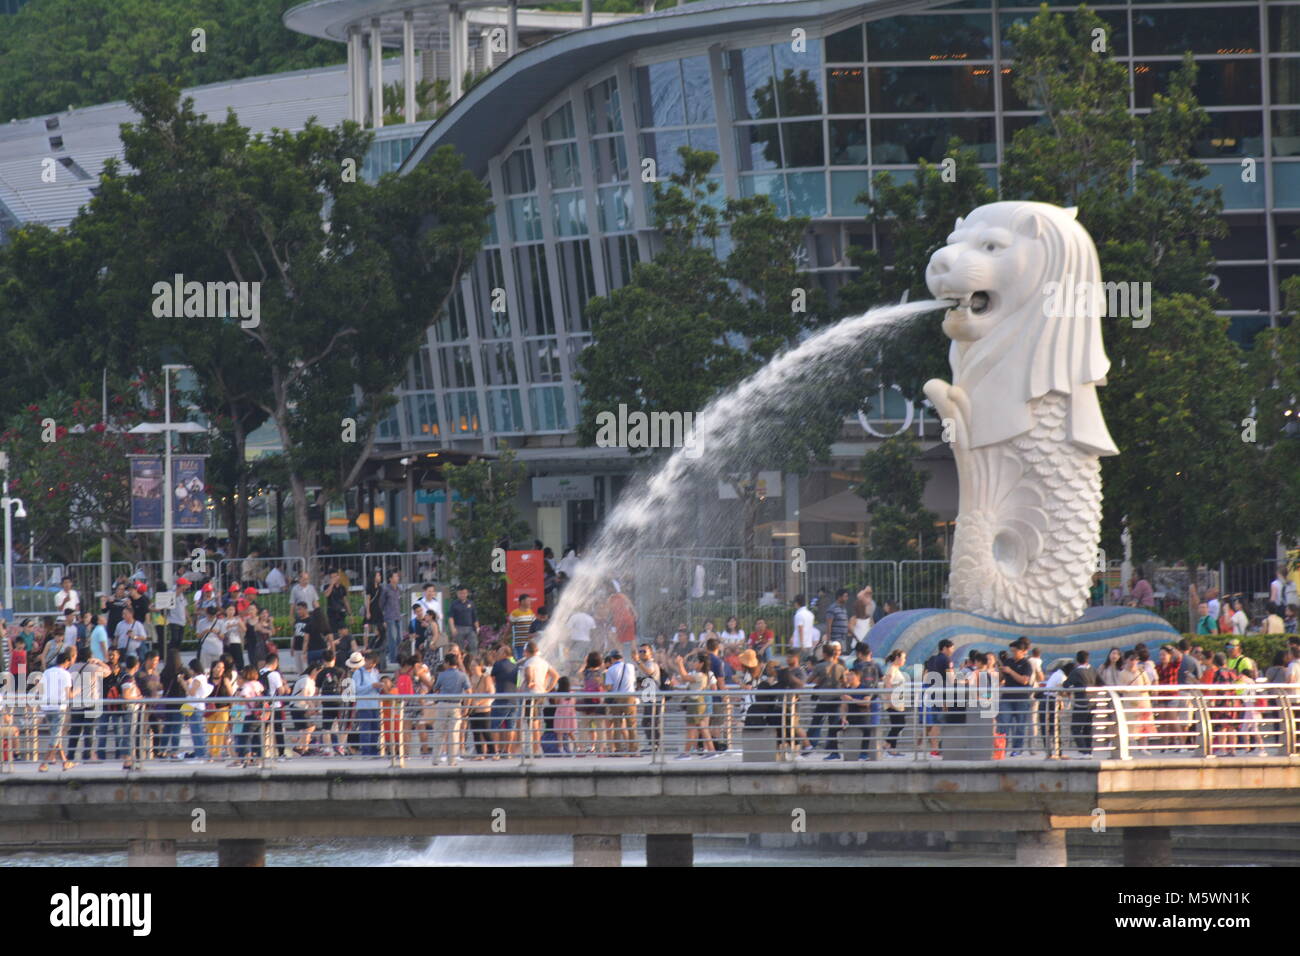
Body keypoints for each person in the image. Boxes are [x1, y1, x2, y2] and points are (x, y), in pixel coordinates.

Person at [37, 648, 76, 772]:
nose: (69, 665)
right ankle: (44, 763)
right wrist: (79, 691)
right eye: (69, 662)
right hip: (59, 708)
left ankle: (65, 762)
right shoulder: (66, 674)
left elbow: (40, 689)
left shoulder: (47, 672)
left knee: (56, 734)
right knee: (56, 735)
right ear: (65, 661)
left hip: (46, 707)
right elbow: (69, 695)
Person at [808, 642, 848, 757]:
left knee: (815, 723)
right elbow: (844, 683)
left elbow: (809, 680)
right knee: (833, 725)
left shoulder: (819, 667)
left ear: (824, 654)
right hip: (836, 700)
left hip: (823, 699)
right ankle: (834, 752)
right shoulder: (840, 667)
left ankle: (808, 746)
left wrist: (820, 680)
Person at [519, 640, 558, 754]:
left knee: (532, 722)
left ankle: (535, 749)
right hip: (541, 694)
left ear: (527, 652)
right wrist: (547, 689)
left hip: (531, 694)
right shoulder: (543, 662)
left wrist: (529, 681)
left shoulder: (529, 662)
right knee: (536, 721)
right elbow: (555, 675)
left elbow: (529, 673)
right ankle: (536, 748)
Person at [432, 652, 470, 765]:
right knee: (454, 733)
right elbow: (469, 691)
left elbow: (436, 689)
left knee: (439, 732)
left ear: (447, 663)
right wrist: (466, 707)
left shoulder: (442, 675)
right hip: (456, 705)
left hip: (443, 704)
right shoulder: (463, 675)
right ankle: (452, 760)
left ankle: (436, 759)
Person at [998, 639, 1034, 756]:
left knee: (1020, 725)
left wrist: (1011, 671)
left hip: (1021, 698)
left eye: (1015, 651)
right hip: (1007, 698)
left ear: (1023, 651)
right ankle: (1001, 748)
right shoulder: (1008, 661)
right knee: (1003, 723)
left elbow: (1024, 680)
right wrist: (1001, 671)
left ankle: (1017, 749)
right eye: (1012, 651)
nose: (1013, 654)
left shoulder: (1026, 664)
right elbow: (1000, 678)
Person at [676, 652, 715, 758]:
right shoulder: (702, 675)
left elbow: (684, 677)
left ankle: (686, 753)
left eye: (695, 661)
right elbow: (685, 677)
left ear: (701, 663)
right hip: (698, 704)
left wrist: (679, 664)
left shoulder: (700, 675)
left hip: (696, 704)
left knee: (692, 728)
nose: (693, 663)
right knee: (702, 728)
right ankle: (711, 751)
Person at [1063, 650, 1102, 755]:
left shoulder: (1076, 672)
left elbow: (1065, 685)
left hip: (1081, 703)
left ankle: (1083, 751)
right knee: (1087, 728)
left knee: (1075, 728)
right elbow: (1101, 683)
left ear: (1077, 660)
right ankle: (1089, 751)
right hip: (1093, 703)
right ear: (1088, 659)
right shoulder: (1093, 670)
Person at [923, 639, 956, 757]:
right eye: (952, 647)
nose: (953, 650)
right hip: (944, 696)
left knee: (937, 721)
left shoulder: (933, 659)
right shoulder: (946, 660)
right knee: (944, 720)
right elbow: (951, 678)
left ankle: (934, 747)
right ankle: (938, 747)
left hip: (933, 694)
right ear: (945, 648)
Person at [603, 648, 638, 755]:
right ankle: (633, 750)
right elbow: (633, 681)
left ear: (612, 659)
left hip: (617, 698)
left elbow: (609, 687)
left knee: (617, 725)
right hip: (630, 697)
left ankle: (618, 749)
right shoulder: (631, 667)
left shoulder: (610, 670)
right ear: (622, 658)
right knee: (631, 725)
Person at [882, 649, 908, 755]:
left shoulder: (896, 669)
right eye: (903, 658)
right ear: (897, 658)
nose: (904, 660)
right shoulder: (892, 669)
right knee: (899, 724)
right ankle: (886, 744)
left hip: (898, 702)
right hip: (893, 702)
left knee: (897, 724)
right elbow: (888, 683)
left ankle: (892, 748)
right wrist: (890, 699)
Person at [448, 586, 479, 652]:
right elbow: (451, 617)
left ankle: (474, 660)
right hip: (458, 628)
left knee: (474, 644)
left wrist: (477, 627)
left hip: (470, 628)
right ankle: (460, 660)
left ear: (467, 593)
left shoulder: (471, 603)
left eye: (464, 593)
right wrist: (452, 628)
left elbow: (475, 617)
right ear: (457, 594)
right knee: (459, 647)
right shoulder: (454, 604)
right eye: (461, 593)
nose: (463, 595)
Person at [508, 594, 537, 660]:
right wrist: (504, 638)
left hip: (529, 644)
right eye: (528, 601)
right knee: (520, 660)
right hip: (519, 643)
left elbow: (534, 626)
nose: (530, 602)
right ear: (522, 602)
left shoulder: (531, 613)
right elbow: (509, 627)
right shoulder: (515, 613)